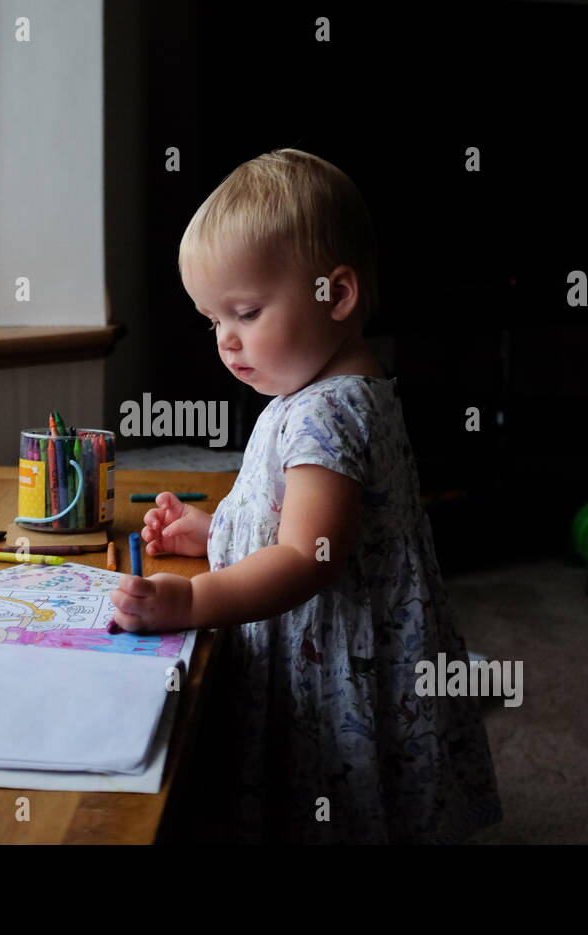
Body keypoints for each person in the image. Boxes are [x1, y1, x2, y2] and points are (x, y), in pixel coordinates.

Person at [108, 148, 503, 843]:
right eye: (213, 321)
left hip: (335, 657)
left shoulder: (324, 413)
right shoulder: (337, 387)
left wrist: (193, 598)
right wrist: (215, 530)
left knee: (333, 796)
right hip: (362, 635)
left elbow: (308, 558)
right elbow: (300, 518)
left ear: (337, 294)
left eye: (247, 311)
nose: (227, 342)